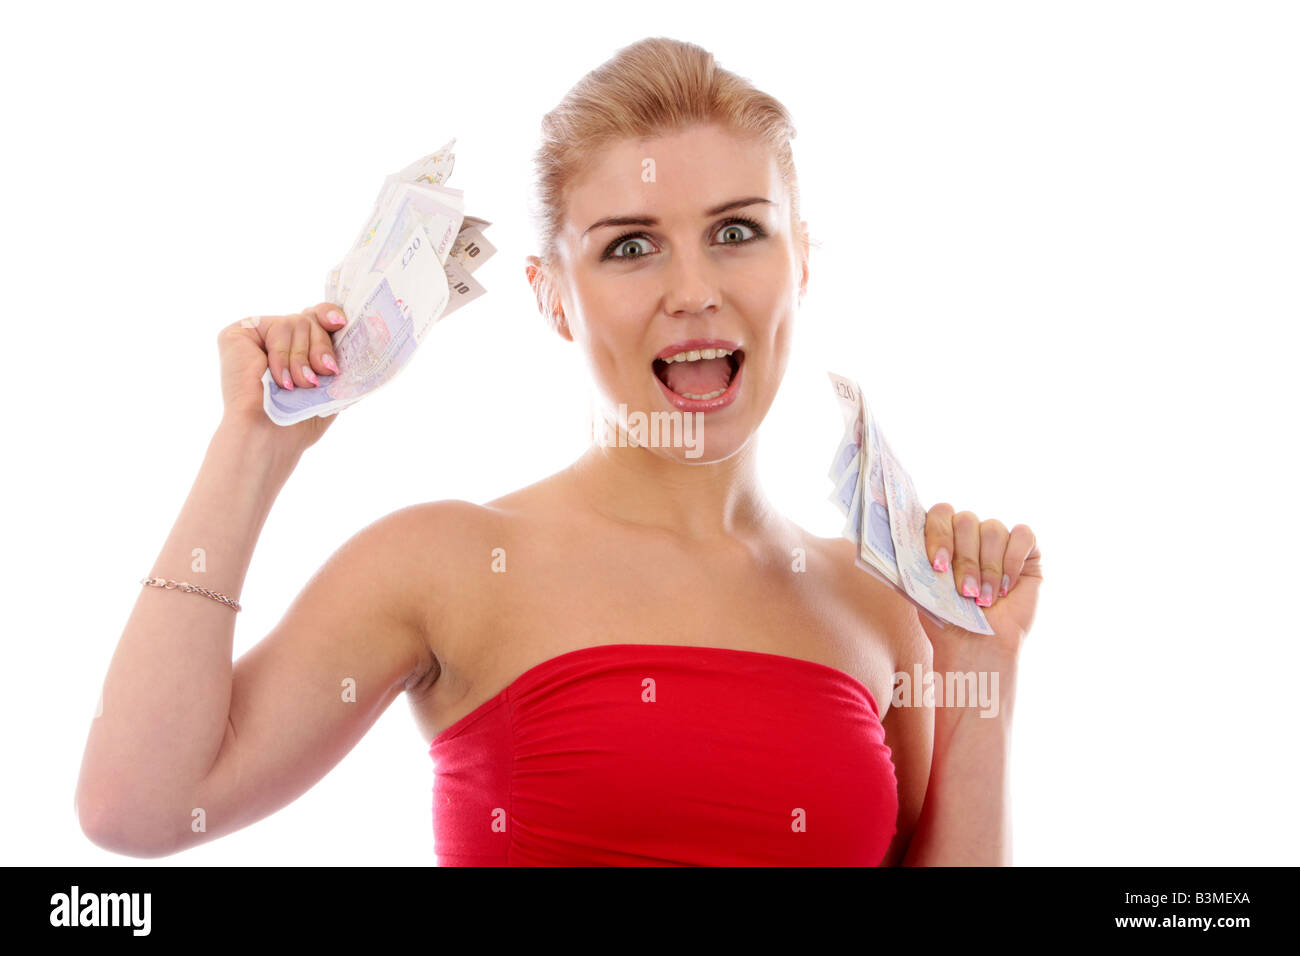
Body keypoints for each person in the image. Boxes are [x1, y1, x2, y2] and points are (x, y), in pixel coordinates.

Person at [76, 36, 1042, 866]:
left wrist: (981, 675)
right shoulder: (443, 564)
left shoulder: (876, 600)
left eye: (737, 232)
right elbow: (139, 806)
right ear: (550, 297)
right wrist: (254, 442)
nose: (695, 288)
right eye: (631, 245)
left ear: (800, 265)